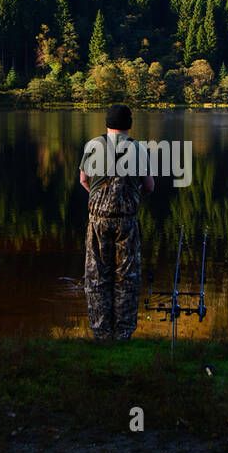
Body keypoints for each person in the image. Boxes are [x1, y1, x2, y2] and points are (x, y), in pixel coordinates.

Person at [78, 104, 155, 340]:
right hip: (127, 224)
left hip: (98, 222)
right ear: (128, 125)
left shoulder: (93, 145)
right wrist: (132, 197)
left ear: (107, 123)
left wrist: (97, 199)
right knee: (127, 277)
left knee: (97, 276)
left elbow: (83, 180)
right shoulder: (138, 149)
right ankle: (123, 333)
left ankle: (101, 332)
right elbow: (150, 187)